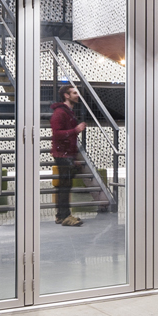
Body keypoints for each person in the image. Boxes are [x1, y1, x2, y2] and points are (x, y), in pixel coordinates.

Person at [51, 83, 86, 226]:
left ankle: (61, 215)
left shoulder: (68, 112)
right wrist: (75, 130)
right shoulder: (60, 113)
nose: (77, 95)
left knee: (65, 186)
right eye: (74, 93)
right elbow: (57, 134)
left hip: (66, 154)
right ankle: (65, 216)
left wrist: (74, 156)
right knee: (65, 186)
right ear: (66, 95)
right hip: (62, 154)